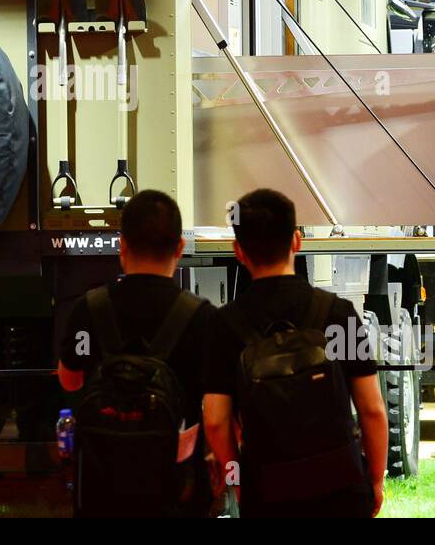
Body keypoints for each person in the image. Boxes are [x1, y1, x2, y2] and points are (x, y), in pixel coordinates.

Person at [203, 188, 388, 518]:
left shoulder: (223, 325)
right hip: (342, 488)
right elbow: (372, 409)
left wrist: (238, 482)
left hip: (267, 492)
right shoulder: (338, 313)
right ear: (297, 241)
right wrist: (374, 479)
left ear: (238, 251)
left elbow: (216, 422)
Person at [56, 189, 212, 518]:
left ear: (122, 245)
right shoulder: (201, 316)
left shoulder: (89, 309)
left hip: (102, 489)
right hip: (176, 491)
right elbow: (215, 409)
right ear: (180, 248)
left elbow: (70, 381)